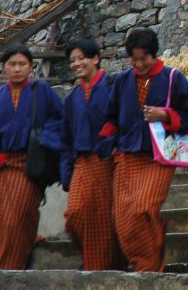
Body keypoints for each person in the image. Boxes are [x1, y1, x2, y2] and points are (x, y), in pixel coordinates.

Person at [101, 28, 188, 273]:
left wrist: (165, 114)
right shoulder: (122, 80)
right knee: (122, 216)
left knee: (144, 208)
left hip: (159, 158)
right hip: (126, 156)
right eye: (134, 58)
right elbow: (111, 118)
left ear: (154, 55)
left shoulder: (173, 78)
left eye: (143, 58)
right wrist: (109, 144)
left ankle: (149, 268)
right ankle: (143, 263)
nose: (139, 64)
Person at [0, 44, 64, 269]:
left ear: (31, 67)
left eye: (22, 64)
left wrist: (43, 142)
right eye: (12, 64)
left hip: (27, 168)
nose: (17, 69)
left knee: (14, 222)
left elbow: (59, 120)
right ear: (4, 68)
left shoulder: (43, 92)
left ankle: (7, 271)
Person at [60, 37, 117, 271]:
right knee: (74, 216)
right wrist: (66, 172)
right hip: (81, 163)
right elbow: (65, 138)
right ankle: (94, 261)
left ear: (96, 58)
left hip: (107, 161)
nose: (76, 64)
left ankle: (101, 268)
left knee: (104, 220)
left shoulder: (113, 88)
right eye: (72, 60)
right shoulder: (72, 98)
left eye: (81, 58)